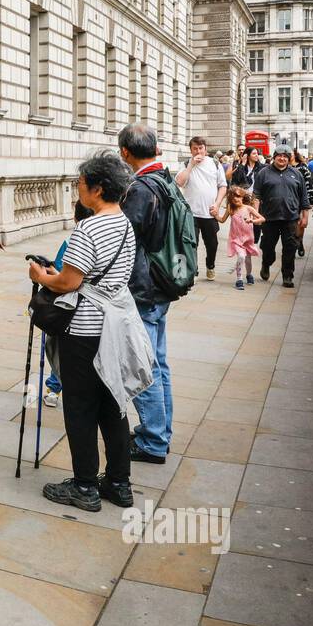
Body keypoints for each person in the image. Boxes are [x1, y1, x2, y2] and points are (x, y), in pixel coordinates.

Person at [29, 154, 137, 512]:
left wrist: (40, 277)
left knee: (80, 407)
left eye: (81, 183)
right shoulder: (125, 224)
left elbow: (68, 282)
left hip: (85, 330)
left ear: (98, 188)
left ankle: (85, 486)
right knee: (114, 404)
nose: (78, 189)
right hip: (116, 326)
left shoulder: (88, 229)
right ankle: (119, 483)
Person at [118, 123, 176, 465]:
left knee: (143, 366)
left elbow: (125, 237)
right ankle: (161, 432)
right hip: (162, 284)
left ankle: (153, 440)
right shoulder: (166, 178)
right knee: (160, 363)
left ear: (125, 152)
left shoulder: (141, 188)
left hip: (144, 288)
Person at [42, 200, 95, 407]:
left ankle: (54, 388)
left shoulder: (72, 241)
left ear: (75, 218)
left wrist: (42, 277)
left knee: (60, 348)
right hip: (93, 310)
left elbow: (60, 274)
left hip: (69, 307)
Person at [252, 146, 310, 289]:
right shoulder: (263, 173)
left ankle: (288, 276)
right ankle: (266, 263)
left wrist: (305, 217)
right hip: (269, 218)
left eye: (285, 156)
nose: (282, 158)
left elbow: (304, 197)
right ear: (274, 156)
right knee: (268, 247)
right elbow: (256, 195)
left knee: (290, 248)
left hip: (290, 218)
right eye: (279, 156)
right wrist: (256, 214)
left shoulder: (296, 174)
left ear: (289, 158)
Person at [175, 136, 227, 282]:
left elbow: (223, 186)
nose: (198, 151)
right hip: (190, 213)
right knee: (192, 244)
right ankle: (193, 270)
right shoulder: (185, 164)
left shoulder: (215, 164)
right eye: (195, 149)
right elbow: (179, 182)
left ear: (205, 149)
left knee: (212, 244)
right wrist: (191, 165)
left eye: (201, 148)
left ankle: (210, 265)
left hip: (210, 213)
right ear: (191, 150)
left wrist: (217, 204)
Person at [217, 186, 264, 290]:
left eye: (238, 196)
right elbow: (222, 220)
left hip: (248, 239)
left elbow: (262, 219)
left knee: (248, 259)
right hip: (236, 239)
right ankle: (239, 279)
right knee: (241, 256)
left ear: (243, 197)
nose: (235, 198)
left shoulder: (248, 208)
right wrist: (215, 215)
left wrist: (252, 221)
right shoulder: (231, 208)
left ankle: (249, 274)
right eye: (233, 196)